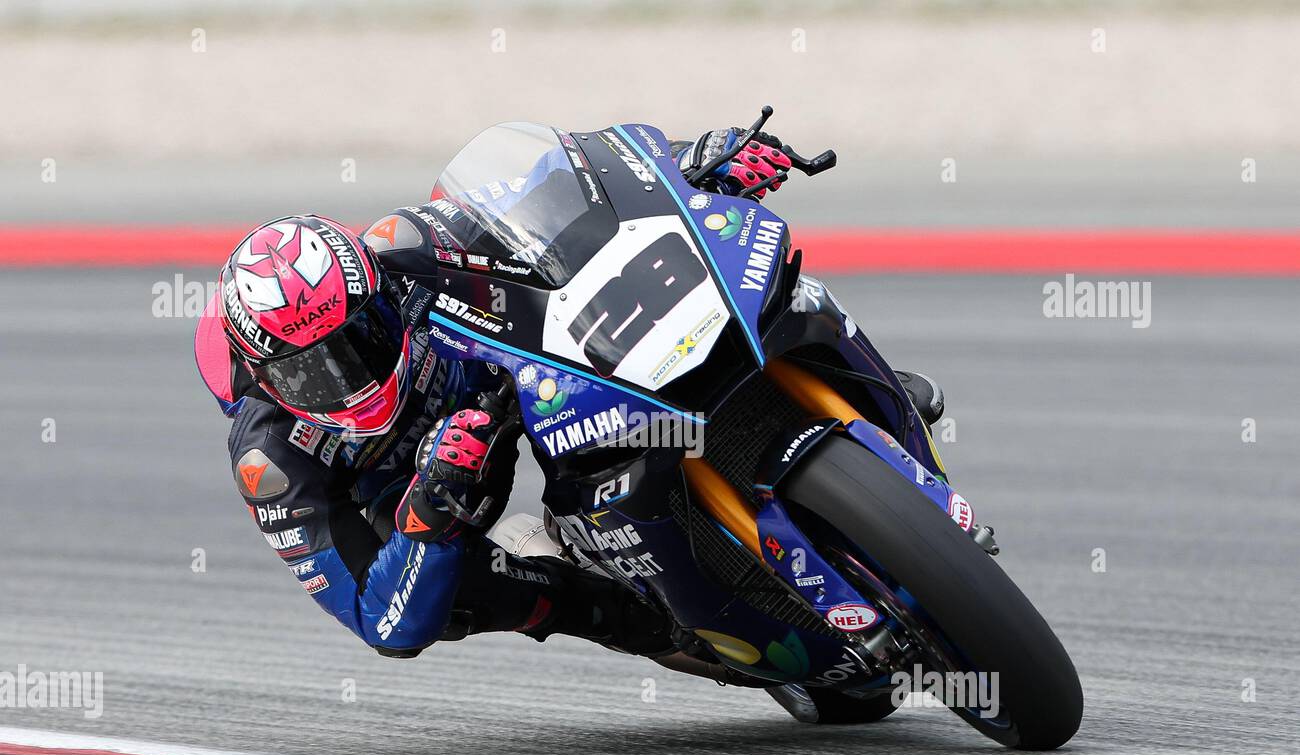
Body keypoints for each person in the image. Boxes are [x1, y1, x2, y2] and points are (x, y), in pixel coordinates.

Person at [193, 124, 944, 663]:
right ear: (262, 375)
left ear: (376, 293)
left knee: (776, 296)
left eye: (361, 340)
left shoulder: (402, 250)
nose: (349, 376)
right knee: (517, 598)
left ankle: (833, 393)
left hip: (519, 386)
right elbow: (383, 623)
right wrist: (428, 514)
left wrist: (695, 161)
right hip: (434, 502)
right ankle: (683, 629)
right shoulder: (274, 464)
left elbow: (569, 190)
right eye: (312, 372)